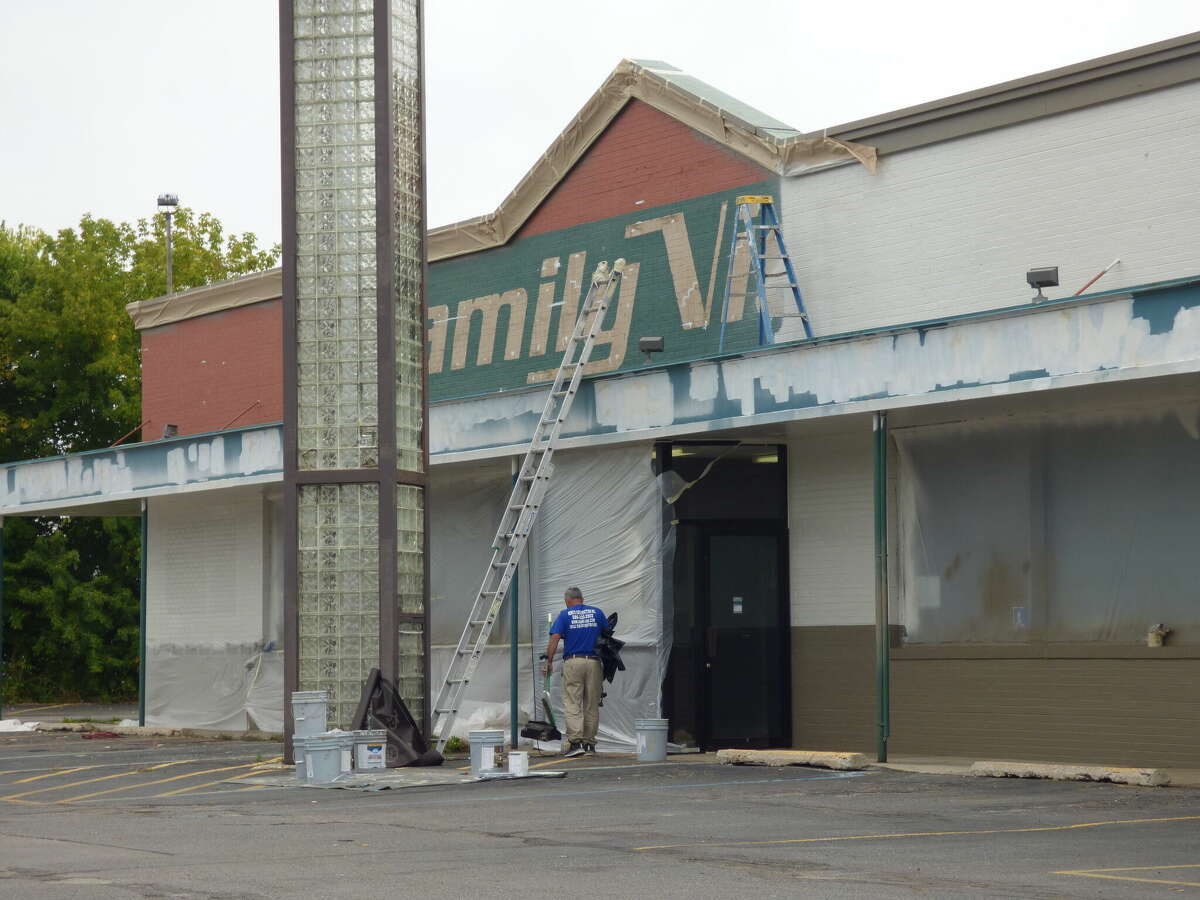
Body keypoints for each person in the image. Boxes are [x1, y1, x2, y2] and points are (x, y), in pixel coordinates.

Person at [543, 586, 607, 758]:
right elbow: (607, 635)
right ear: (582, 599)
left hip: (573, 662)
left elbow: (555, 638)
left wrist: (549, 661)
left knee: (573, 703)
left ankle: (576, 742)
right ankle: (589, 745)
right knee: (591, 704)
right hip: (594, 662)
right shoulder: (598, 613)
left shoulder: (565, 615)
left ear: (568, 600)